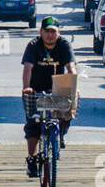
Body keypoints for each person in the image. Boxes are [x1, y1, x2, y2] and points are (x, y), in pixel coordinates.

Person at [21, 16, 77, 178]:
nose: (50, 35)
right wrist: (27, 87)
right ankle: (32, 159)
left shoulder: (64, 45)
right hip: (35, 89)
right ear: (41, 32)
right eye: (47, 31)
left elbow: (71, 67)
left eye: (53, 32)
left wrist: (73, 84)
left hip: (57, 88)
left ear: (58, 33)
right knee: (33, 124)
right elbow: (27, 68)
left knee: (69, 109)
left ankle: (60, 135)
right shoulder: (33, 45)